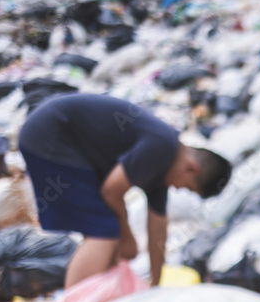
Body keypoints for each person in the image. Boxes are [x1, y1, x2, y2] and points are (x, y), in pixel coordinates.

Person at [18, 93, 232, 289]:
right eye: (186, 186)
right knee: (105, 233)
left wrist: (155, 284)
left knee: (107, 232)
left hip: (60, 138)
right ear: (191, 168)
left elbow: (157, 228)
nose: (177, 188)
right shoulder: (162, 146)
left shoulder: (162, 170)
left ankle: (96, 298)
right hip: (52, 133)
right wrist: (127, 236)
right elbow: (112, 190)